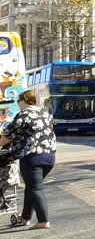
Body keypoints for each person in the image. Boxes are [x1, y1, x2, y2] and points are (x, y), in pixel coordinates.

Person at [0, 90, 57, 230]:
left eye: (18, 102)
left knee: (36, 188)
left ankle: (43, 221)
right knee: (31, 187)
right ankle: (25, 218)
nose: (18, 105)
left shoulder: (24, 115)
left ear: (23, 101)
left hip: (33, 157)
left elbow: (8, 135)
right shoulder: (45, 114)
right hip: (49, 156)